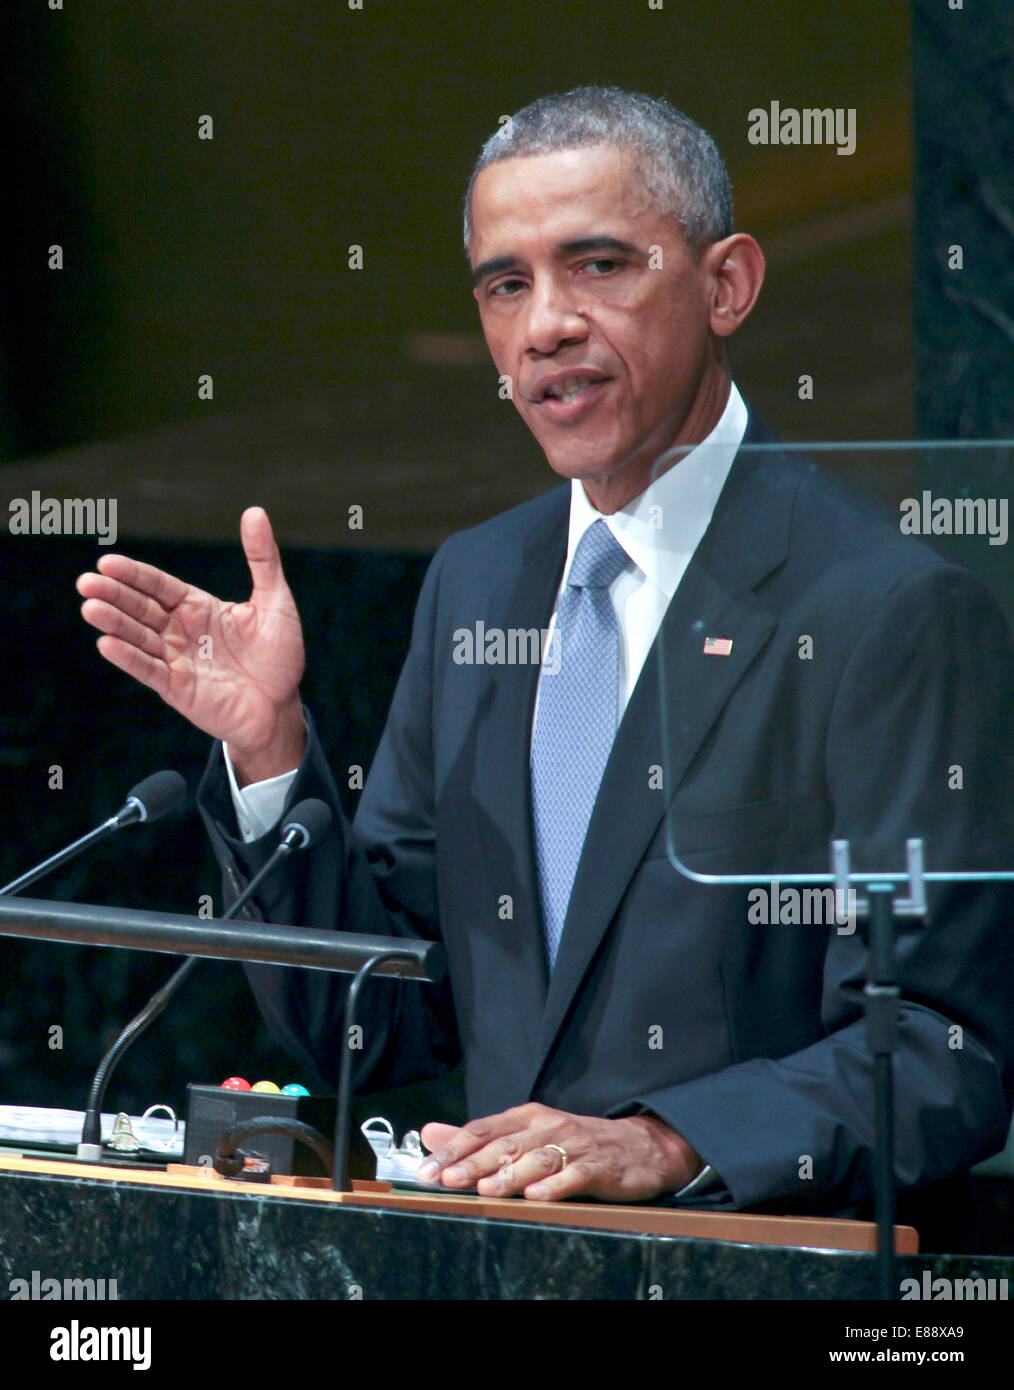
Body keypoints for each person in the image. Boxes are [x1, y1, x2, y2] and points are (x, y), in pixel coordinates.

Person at [76, 87, 1014, 1226]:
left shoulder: (891, 611)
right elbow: (379, 1023)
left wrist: (668, 1140)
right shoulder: (477, 583)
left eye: (600, 266)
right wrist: (271, 753)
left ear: (727, 284)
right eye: (506, 285)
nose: (546, 326)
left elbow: (939, 1056)